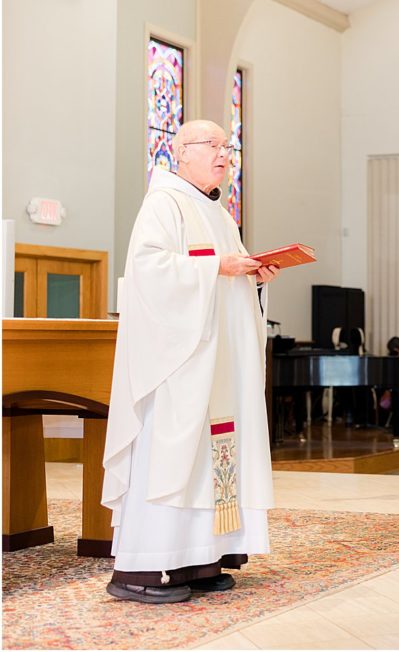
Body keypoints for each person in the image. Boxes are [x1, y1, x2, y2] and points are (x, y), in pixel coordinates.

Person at [101, 120, 278, 604]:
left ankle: (201, 560)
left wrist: (254, 276)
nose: (224, 154)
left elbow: (229, 276)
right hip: (178, 365)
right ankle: (143, 570)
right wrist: (217, 267)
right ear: (180, 153)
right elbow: (148, 270)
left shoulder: (217, 211)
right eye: (213, 146)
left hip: (216, 364)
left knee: (210, 459)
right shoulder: (165, 202)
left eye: (228, 146)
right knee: (173, 456)